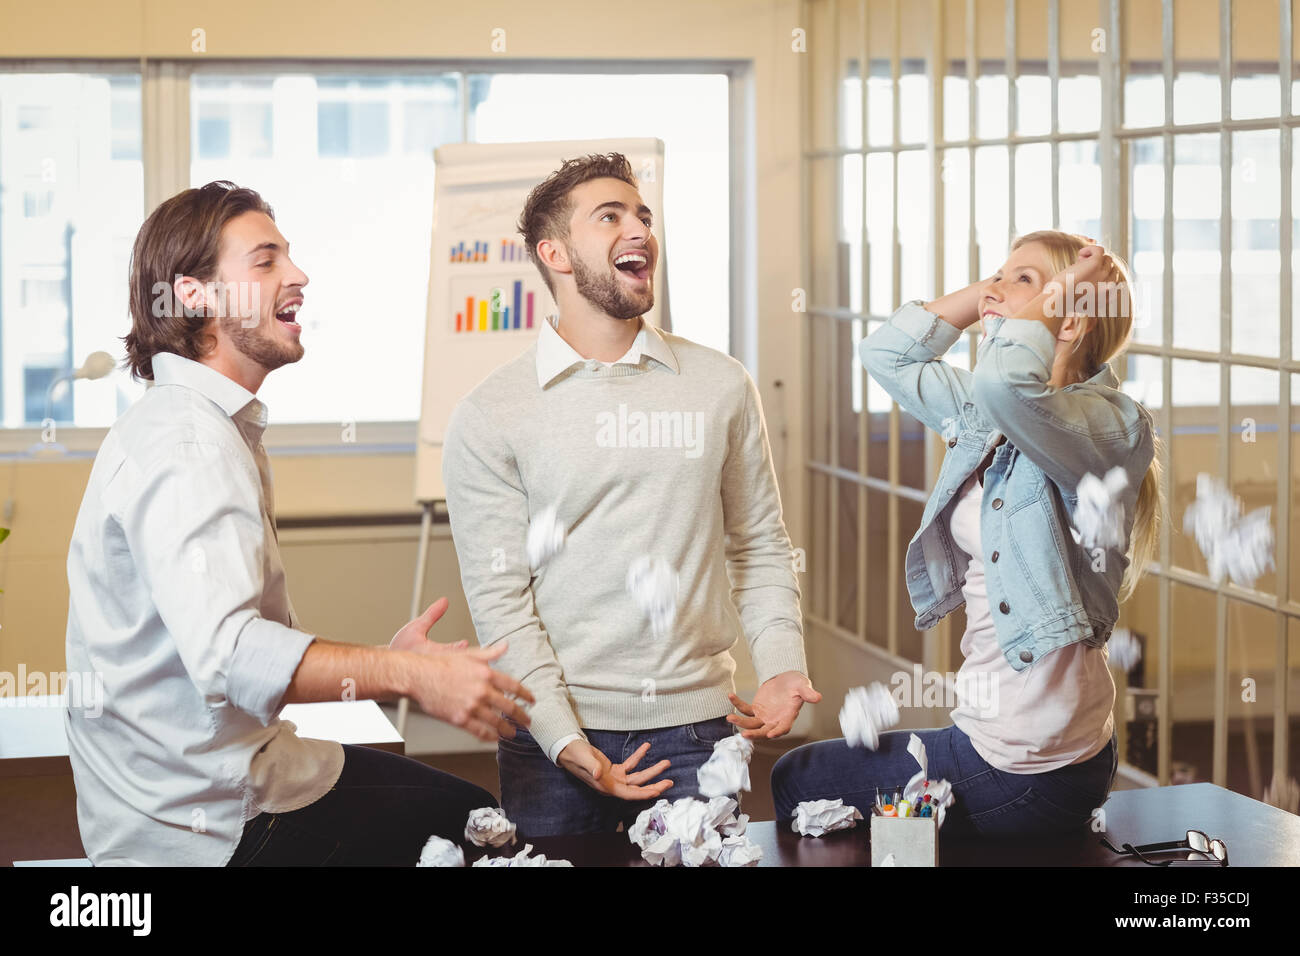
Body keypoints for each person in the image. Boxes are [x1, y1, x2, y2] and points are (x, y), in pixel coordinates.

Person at [65, 181, 533, 866]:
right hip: (209, 824)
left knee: (471, 822)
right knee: (479, 833)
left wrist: (395, 662)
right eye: (265, 261)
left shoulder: (195, 425)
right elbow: (232, 655)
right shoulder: (187, 442)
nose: (299, 276)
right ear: (193, 294)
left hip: (213, 780)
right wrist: (405, 674)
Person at [441, 153, 819, 838]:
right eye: (609, 216)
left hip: (699, 731)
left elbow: (760, 544)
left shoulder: (720, 385)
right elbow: (503, 599)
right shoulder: (489, 414)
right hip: (551, 741)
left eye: (642, 214)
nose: (639, 228)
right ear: (554, 253)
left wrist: (783, 663)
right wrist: (560, 737)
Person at [771, 231, 1163, 837]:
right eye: (997, 276)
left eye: (1024, 280)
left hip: (1027, 766)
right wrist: (992, 295)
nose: (998, 289)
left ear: (1071, 319)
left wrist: (1056, 292)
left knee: (797, 781)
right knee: (815, 782)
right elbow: (886, 354)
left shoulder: (1109, 426)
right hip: (1006, 740)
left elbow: (1006, 385)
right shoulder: (987, 414)